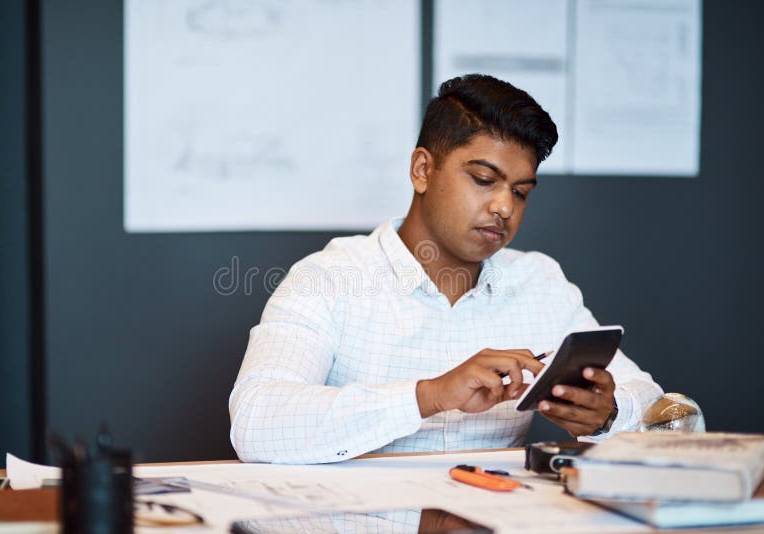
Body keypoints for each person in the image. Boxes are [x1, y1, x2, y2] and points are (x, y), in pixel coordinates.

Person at [228, 74, 662, 464]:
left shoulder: (539, 283)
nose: (504, 207)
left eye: (520, 191)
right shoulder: (329, 278)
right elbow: (256, 421)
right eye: (484, 180)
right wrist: (429, 396)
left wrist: (609, 414)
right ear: (422, 170)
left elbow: (659, 408)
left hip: (496, 511)